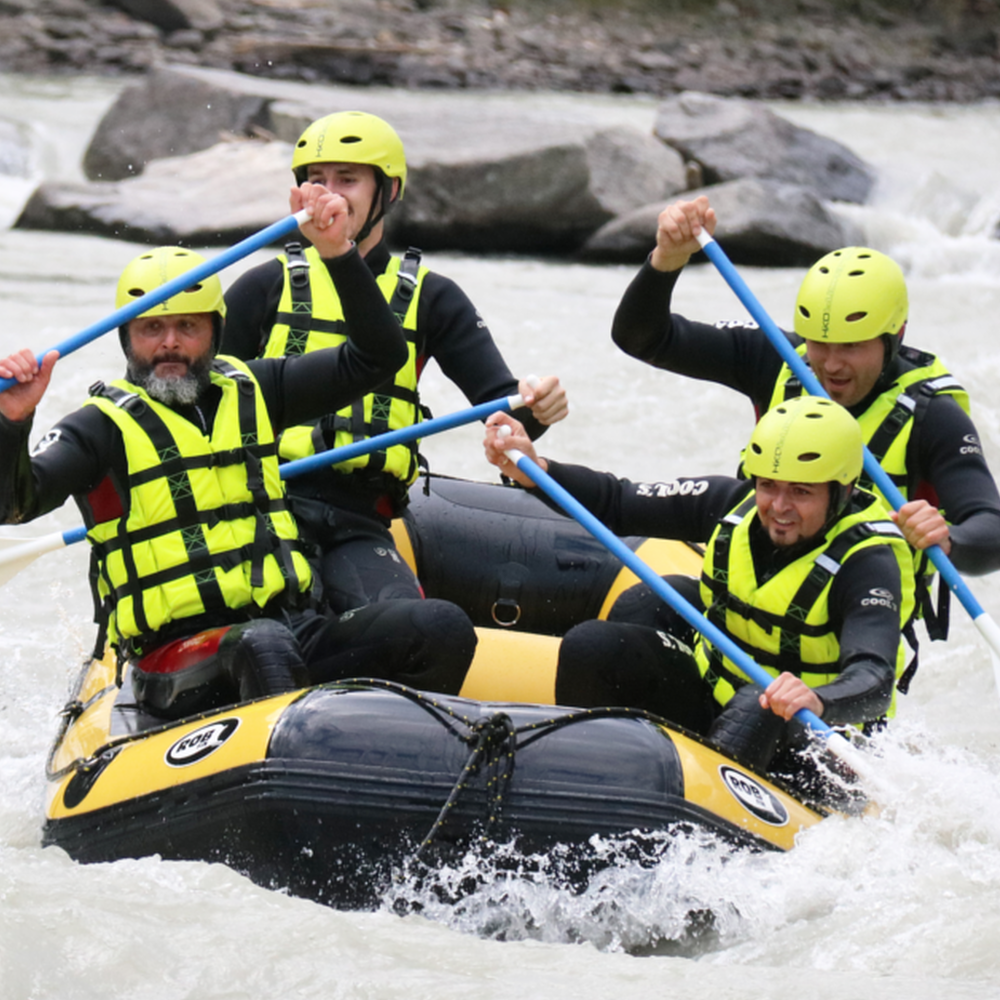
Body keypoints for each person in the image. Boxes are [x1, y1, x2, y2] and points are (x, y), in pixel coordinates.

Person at [0, 203, 477, 721]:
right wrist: (12, 423)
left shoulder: (258, 390)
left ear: (215, 329)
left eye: (188, 325)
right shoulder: (95, 429)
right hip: (175, 656)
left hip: (291, 627)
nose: (170, 344)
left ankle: (393, 759)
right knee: (262, 646)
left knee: (439, 627)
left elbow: (377, 357)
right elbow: (15, 505)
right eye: (151, 328)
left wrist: (338, 253)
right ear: (126, 338)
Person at [610, 195, 1000, 644]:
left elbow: (988, 527)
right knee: (643, 606)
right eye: (819, 343)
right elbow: (641, 337)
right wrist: (667, 260)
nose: (830, 365)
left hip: (845, 629)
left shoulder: (934, 418)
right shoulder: (779, 358)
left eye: (851, 347)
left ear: (895, 336)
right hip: (750, 594)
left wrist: (949, 537)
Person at [222, 110, 569, 614]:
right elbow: (197, 405)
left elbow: (503, 412)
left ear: (389, 190)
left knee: (428, 628)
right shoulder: (263, 286)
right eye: (316, 180)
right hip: (266, 503)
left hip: (359, 520)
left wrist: (537, 409)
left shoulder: (433, 298)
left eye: (348, 179)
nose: (330, 193)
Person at [482, 396, 916, 777]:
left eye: (801, 492)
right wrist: (535, 467)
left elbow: (875, 679)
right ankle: (595, 771)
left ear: (841, 492)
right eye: (768, 486)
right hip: (719, 700)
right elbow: (618, 500)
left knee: (760, 703)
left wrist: (817, 699)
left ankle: (696, 809)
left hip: (813, 744)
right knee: (601, 641)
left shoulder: (868, 562)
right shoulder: (732, 504)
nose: (779, 508)